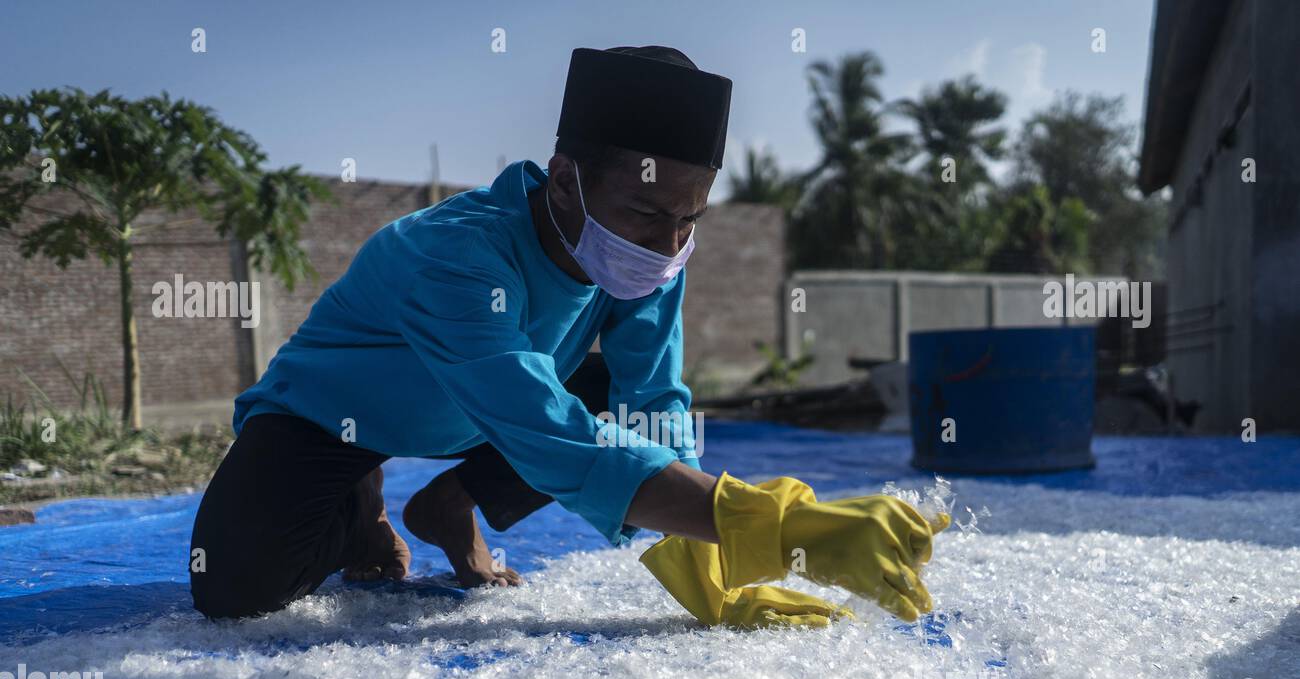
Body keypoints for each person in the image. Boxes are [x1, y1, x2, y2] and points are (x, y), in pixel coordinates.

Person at [189, 45, 947, 626]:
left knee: (609, 397)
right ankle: (360, 507)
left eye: (691, 219)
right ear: (563, 181)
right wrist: (775, 523)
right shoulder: (452, 256)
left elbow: (653, 399)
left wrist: (710, 560)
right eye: (648, 214)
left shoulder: (655, 257)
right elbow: (551, 437)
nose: (669, 242)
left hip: (494, 412)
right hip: (333, 418)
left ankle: (449, 502)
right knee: (233, 589)